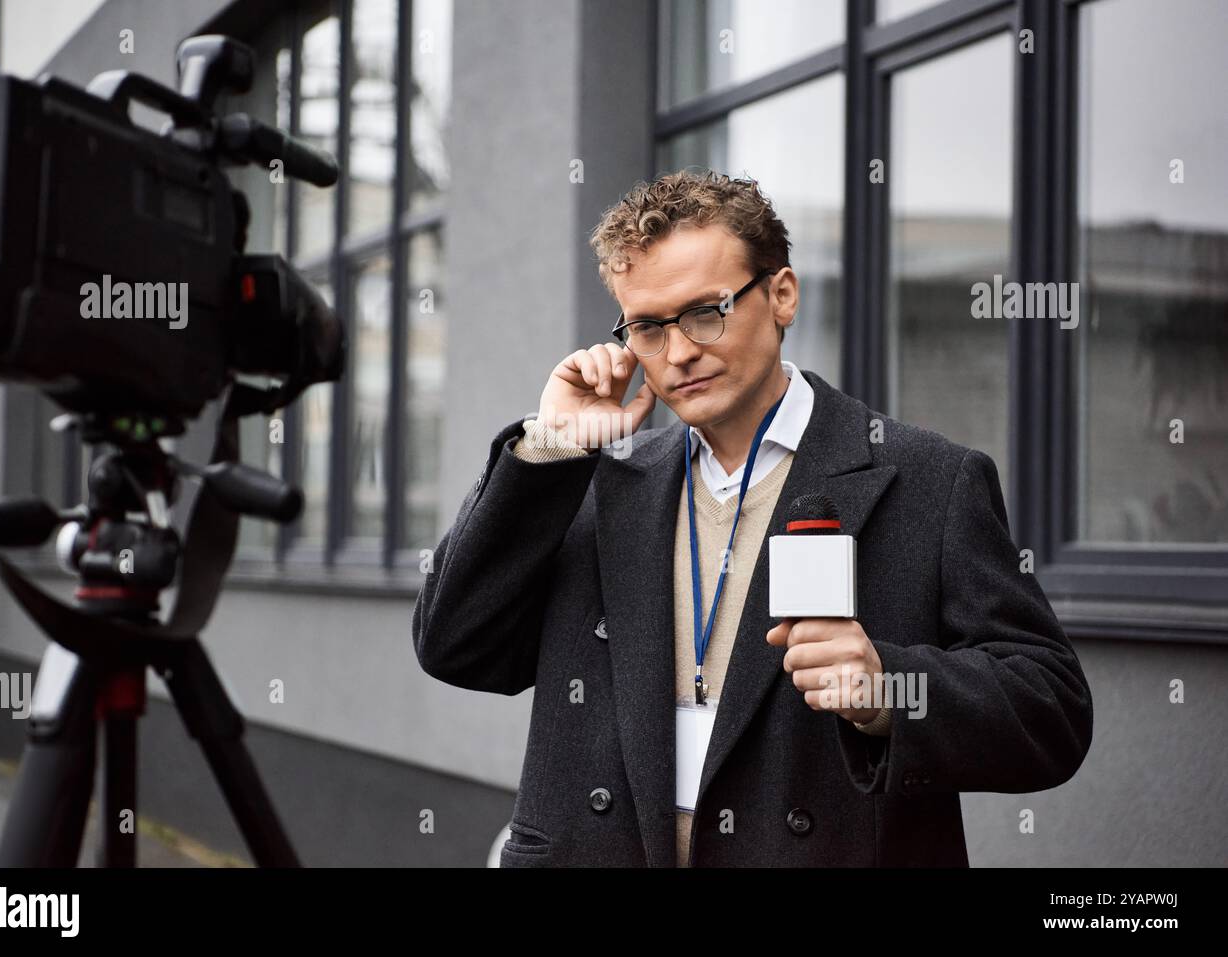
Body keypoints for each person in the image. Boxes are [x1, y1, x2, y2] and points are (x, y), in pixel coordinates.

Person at [413, 169, 1092, 867]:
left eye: (706, 311)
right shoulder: (593, 484)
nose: (678, 353)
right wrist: (550, 447)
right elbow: (454, 644)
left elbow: (1052, 708)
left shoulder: (928, 481)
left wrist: (891, 687)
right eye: (648, 326)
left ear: (782, 295)